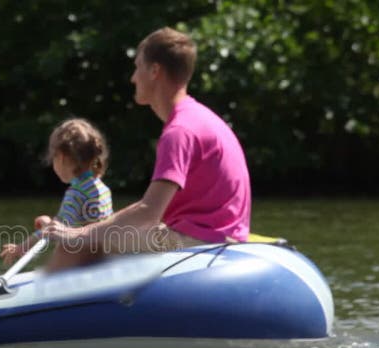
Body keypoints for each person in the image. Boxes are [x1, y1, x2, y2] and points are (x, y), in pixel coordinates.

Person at [43, 26, 251, 261]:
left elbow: (148, 213)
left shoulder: (179, 131)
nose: (133, 78)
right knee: (98, 234)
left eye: (137, 67)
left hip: (201, 243)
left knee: (86, 247)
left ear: (154, 71)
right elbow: (147, 207)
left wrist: (77, 234)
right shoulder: (199, 117)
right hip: (223, 236)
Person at [0, 118, 113, 271]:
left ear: (61, 157)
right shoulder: (102, 188)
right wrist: (50, 223)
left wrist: (21, 248)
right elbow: (78, 226)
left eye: (53, 157)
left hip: (80, 265)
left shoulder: (75, 194)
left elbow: (56, 232)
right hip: (103, 261)